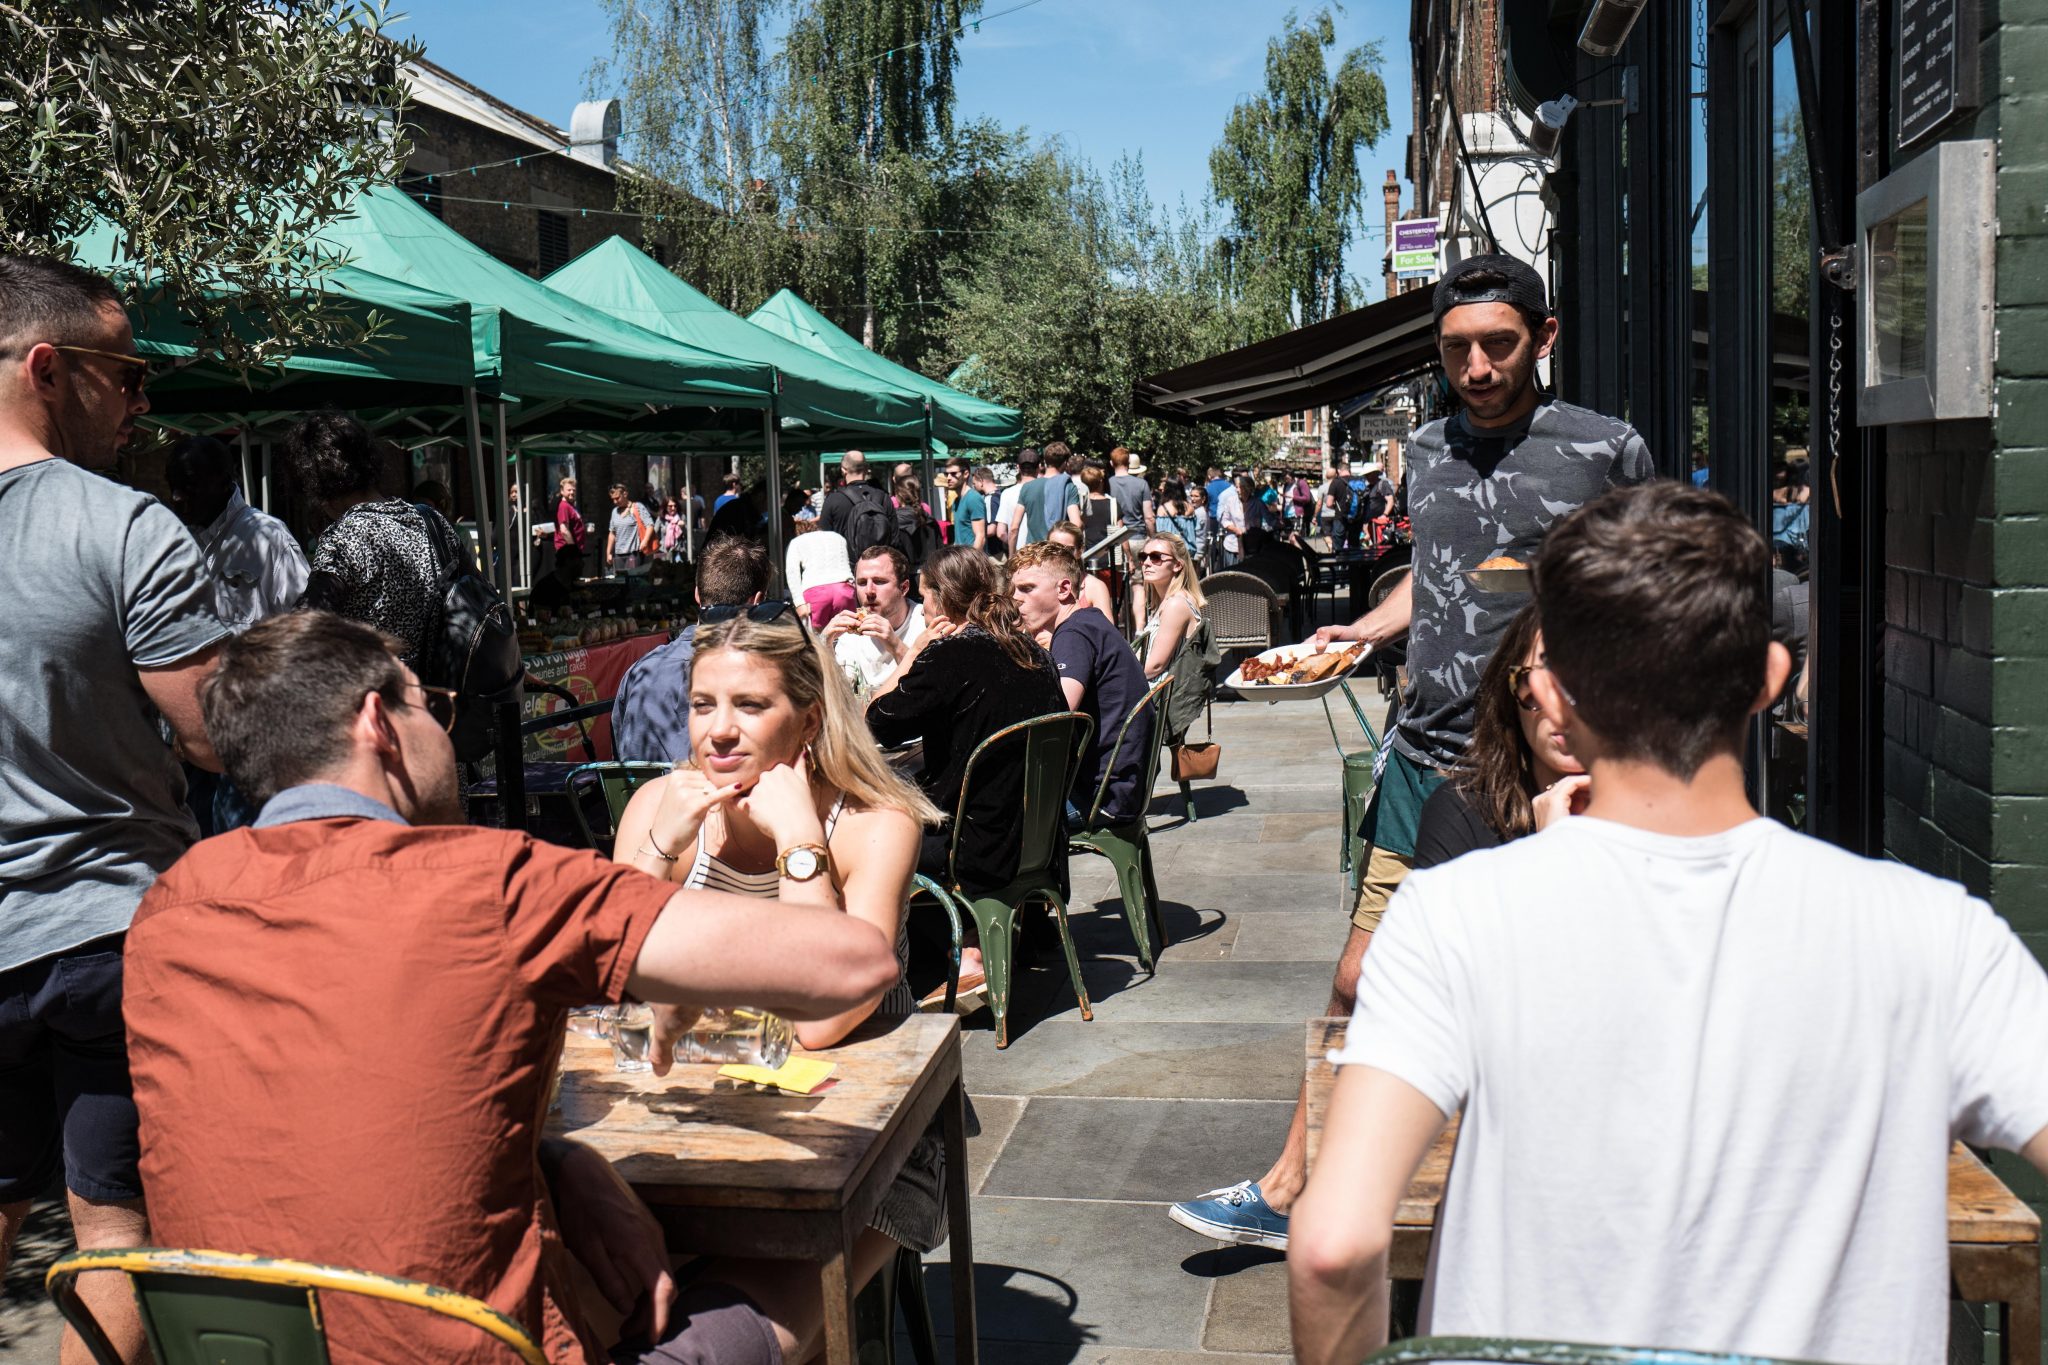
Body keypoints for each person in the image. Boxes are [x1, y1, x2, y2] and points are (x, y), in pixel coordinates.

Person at [1289, 481, 2048, 1365]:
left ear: (1556, 691)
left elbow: (1334, 1244)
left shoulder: (1450, 917)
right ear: (1772, 677)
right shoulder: (1936, 936)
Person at [124, 610, 901, 1365]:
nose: (449, 735)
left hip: (235, 1347)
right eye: (433, 707)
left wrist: (556, 1159)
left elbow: (330, 1101)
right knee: (824, 1260)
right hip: (476, 1346)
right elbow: (853, 965)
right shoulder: (491, 880)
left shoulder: (165, 914)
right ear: (378, 723)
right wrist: (798, 841)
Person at [1169, 252, 1654, 1252]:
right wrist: (1357, 631)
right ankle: (1290, 1182)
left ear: (1544, 339)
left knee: (1539, 996)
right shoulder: (1424, 449)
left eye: (1496, 345)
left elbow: (1644, 600)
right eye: (1455, 349)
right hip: (1424, 751)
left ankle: (1538, 1209)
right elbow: (1433, 581)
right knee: (1358, 979)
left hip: (1546, 772)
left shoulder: (1607, 453)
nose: (1475, 367)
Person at [608, 605, 946, 1361]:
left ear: (808, 720)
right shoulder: (654, 808)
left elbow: (821, 1019)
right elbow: (606, 985)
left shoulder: (872, 823)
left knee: (705, 1335)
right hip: (683, 1136)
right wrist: (661, 847)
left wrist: (798, 840)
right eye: (703, 704)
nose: (718, 731)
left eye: (750, 704)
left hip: (861, 1156)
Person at [0, 255, 226, 1363]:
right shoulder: (123, 526)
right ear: (49, 368)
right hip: (108, 929)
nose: (141, 405)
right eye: (126, 376)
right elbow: (222, 734)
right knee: (115, 1227)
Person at [866, 546, 1066, 1007]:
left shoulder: (952, 656)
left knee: (869, 829)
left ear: (940, 599)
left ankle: (894, 966)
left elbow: (877, 720)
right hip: (1036, 839)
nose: (925, 608)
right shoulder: (1032, 652)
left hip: (974, 845)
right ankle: (991, 935)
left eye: (925, 596)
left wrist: (912, 652)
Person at [1410, 604, 1587, 868]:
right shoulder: (1460, 814)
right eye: (1539, 684)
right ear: (1510, 697)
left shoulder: (1663, 819)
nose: (1561, 708)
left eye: (1588, 685)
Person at [291, 409, 457, 671]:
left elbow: (307, 622)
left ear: (317, 484)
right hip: (435, 696)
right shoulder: (432, 522)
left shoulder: (344, 537)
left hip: (372, 693)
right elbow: (482, 599)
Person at [1009, 542, 1152, 827]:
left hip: (1101, 797)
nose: (1015, 599)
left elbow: (1057, 716)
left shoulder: (1073, 633)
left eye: (1027, 589)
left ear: (1064, 589)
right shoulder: (1088, 622)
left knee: (984, 820)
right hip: (1125, 786)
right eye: (1014, 590)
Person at [612, 537, 773, 764]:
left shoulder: (639, 671)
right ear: (757, 601)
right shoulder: (758, 675)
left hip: (634, 796)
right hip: (713, 796)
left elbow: (619, 755)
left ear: (697, 594)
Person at [164, 434, 309, 632]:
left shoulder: (269, 538)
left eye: (189, 484)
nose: (176, 496)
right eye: (173, 485)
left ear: (224, 482)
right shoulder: (175, 542)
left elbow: (305, 623)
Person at [1133, 535, 1215, 767]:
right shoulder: (1165, 602)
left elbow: (1155, 666)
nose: (1147, 562)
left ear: (1177, 565)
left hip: (1157, 701)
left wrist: (1117, 678)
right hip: (1154, 696)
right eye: (1143, 557)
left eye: (1157, 557)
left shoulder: (1176, 604)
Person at [824, 545, 925, 692]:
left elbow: (931, 686)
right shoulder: (851, 633)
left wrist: (896, 647)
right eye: (862, 583)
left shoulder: (924, 623)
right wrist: (825, 645)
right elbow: (842, 693)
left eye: (879, 581)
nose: (869, 591)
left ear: (904, 588)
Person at [820, 450, 893, 559]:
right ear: (866, 468)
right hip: (878, 566)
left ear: (843, 470)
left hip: (845, 567)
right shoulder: (883, 497)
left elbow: (825, 539)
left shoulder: (833, 499)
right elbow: (894, 538)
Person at [785, 523, 857, 630]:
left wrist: (799, 603)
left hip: (816, 591)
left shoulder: (796, 541)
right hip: (844, 588)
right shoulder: (838, 537)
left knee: (816, 639)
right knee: (847, 634)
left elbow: (792, 571)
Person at [1011, 441, 1081, 549]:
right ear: (1065, 463)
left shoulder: (1027, 487)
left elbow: (1014, 528)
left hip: (1033, 551)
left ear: (1044, 461)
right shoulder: (1069, 487)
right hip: (1056, 552)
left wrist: (1011, 556)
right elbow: (1076, 524)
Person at [1044, 521, 1116, 621]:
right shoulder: (1039, 583)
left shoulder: (1094, 587)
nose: (1060, 555)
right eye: (1053, 549)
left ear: (1080, 551)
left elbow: (1106, 633)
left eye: (1068, 550)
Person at [891, 470, 942, 578]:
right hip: (930, 576)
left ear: (898, 496)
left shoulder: (894, 523)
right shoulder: (930, 521)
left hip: (905, 578)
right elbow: (940, 552)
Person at [606, 482, 656, 576]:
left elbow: (650, 525)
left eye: (617, 498)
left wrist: (645, 541)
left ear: (625, 494)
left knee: (633, 580)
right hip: (618, 554)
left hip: (634, 553)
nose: (615, 502)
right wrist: (608, 552)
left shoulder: (638, 507)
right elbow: (612, 533)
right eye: (613, 499)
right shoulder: (614, 512)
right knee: (620, 581)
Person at [952, 464, 995, 551]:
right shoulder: (988, 497)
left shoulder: (990, 499)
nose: (973, 487)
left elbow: (991, 530)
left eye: (974, 484)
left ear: (981, 482)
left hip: (992, 554)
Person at [1214, 475, 1248, 568]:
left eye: (1240, 487)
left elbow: (1268, 520)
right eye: (1236, 487)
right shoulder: (1230, 501)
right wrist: (1236, 530)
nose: (1237, 490)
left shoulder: (1256, 503)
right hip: (1232, 543)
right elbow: (1223, 519)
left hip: (1250, 545)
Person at [555, 475, 587, 555]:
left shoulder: (570, 506)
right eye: (569, 490)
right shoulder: (564, 506)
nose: (572, 492)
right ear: (562, 491)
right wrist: (573, 548)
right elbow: (564, 530)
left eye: (574, 490)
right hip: (567, 551)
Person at [659, 495, 687, 561]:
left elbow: (688, 535)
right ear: (665, 507)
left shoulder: (682, 517)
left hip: (679, 551)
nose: (673, 508)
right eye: (670, 506)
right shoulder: (661, 518)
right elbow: (654, 533)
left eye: (675, 506)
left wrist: (683, 527)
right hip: (665, 553)